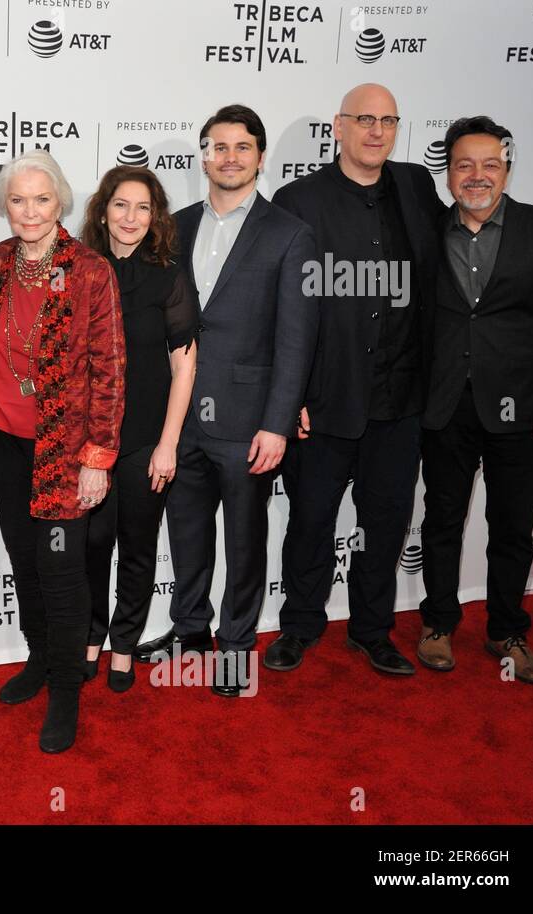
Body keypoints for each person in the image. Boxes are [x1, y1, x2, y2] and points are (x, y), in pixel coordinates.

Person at [134, 104, 317, 697]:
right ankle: (190, 633)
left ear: (260, 158)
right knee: (187, 534)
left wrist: (278, 422)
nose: (229, 157)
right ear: (204, 156)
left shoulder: (290, 233)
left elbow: (297, 336)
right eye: (218, 147)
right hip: (180, 417)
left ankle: (237, 648)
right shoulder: (176, 226)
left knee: (244, 541)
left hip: (247, 422)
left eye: (242, 147)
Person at [269, 83, 444, 676]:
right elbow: (280, 307)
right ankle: (298, 626)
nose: (377, 130)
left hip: (400, 403)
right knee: (311, 520)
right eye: (364, 119)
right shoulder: (298, 200)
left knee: (386, 524)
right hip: (324, 402)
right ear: (338, 128)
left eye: (388, 120)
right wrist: (288, 396)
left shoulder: (418, 188)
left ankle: (372, 630)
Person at [0, 149, 123, 752]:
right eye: (18, 200)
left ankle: (66, 689)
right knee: (25, 563)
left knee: (62, 573)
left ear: (60, 201)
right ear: (5, 208)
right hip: (8, 445)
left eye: (42, 199)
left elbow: (110, 369)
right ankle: (40, 660)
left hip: (64, 454)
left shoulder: (90, 269)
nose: (30, 210)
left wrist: (97, 458)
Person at [418, 115, 533, 685]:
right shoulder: (425, 232)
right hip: (444, 402)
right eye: (464, 165)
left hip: (521, 408)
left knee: (513, 527)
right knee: (442, 520)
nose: (477, 176)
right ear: (448, 173)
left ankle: (507, 629)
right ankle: (438, 623)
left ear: (506, 169)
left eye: (489, 164)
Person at [81, 165, 199, 693]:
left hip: (148, 438)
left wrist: (168, 444)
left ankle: (124, 645)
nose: (131, 217)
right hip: (90, 439)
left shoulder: (168, 275)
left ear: (155, 218)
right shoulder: (80, 270)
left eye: (143, 207)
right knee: (91, 545)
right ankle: (90, 638)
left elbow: (185, 364)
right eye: (121, 205)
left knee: (137, 545)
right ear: (102, 210)